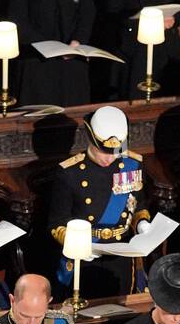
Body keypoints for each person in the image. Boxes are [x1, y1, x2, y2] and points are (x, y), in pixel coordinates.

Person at [49, 107, 151, 298]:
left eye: (114, 152)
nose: (110, 158)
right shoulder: (70, 172)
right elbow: (56, 223)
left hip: (122, 252)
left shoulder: (132, 165)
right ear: (90, 139)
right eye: (103, 151)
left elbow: (139, 205)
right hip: (85, 255)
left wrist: (142, 223)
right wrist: (77, 244)